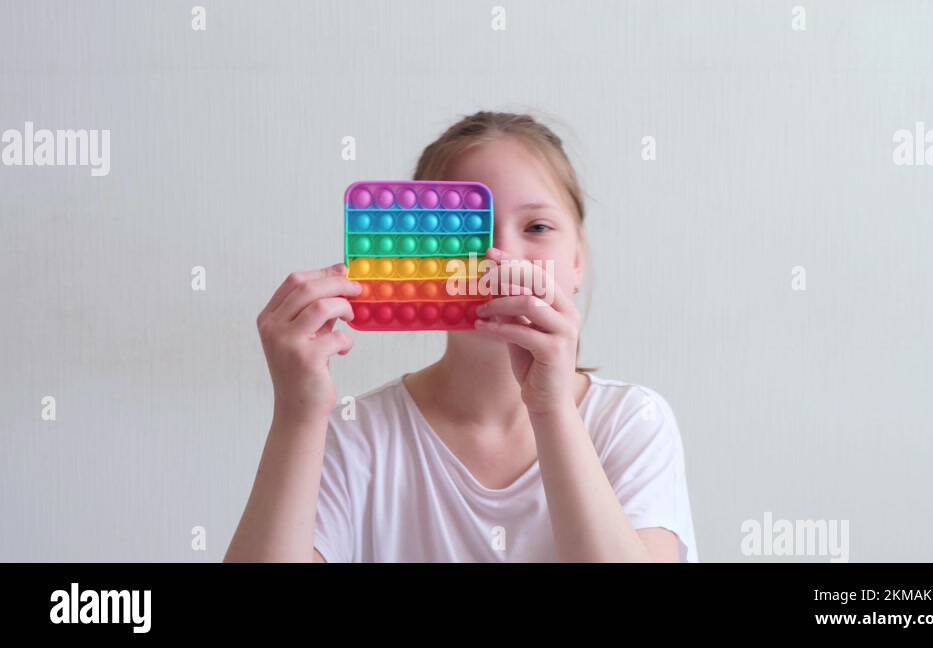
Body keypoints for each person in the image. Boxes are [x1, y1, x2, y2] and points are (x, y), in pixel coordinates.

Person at [224, 111, 698, 563]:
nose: (503, 254)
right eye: (466, 234)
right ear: (412, 261)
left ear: (577, 262)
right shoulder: (357, 435)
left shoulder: (631, 423)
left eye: (537, 227)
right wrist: (297, 413)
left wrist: (551, 409)